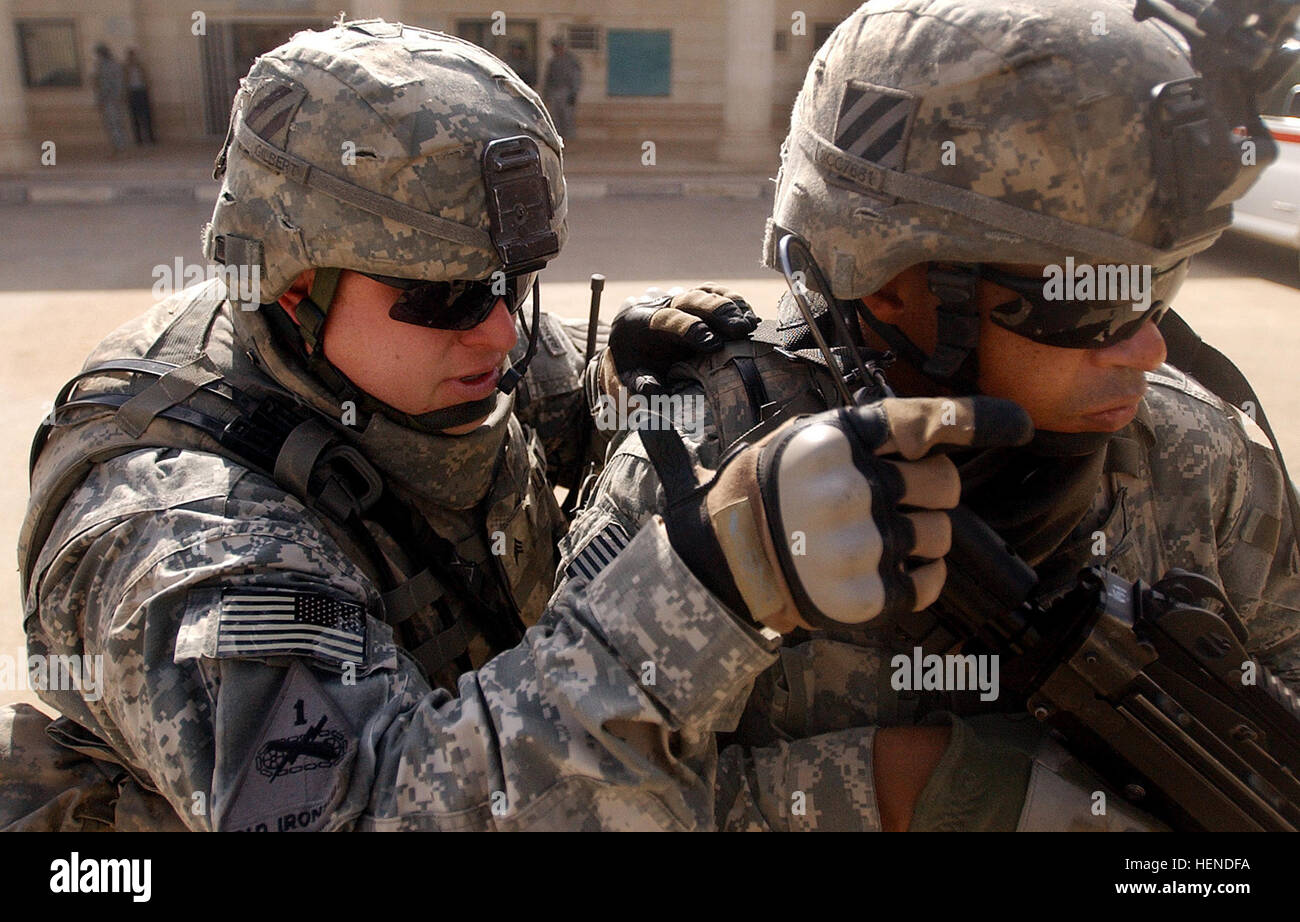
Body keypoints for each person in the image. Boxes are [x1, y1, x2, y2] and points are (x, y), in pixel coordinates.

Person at [0, 20, 774, 832]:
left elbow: (564, 387)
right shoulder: (185, 530)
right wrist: (708, 588)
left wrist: (622, 383)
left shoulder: (430, 350)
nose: (502, 331)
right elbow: (359, 808)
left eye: (512, 282)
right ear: (297, 285)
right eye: (449, 296)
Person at [559, 0, 1300, 831]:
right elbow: (554, 799)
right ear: (893, 283)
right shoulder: (701, 483)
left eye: (1161, 289)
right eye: (1096, 303)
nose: (1148, 349)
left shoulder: (1201, 460)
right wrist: (895, 793)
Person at [91, 44, 129, 157]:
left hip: (110, 100)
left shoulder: (103, 66)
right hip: (116, 99)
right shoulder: (116, 64)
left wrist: (100, 100)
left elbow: (105, 85)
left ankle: (120, 149)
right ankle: (119, 149)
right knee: (117, 124)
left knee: (113, 125)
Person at [542, 36, 582, 139]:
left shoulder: (571, 61)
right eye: (554, 46)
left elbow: (576, 77)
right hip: (554, 91)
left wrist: (573, 93)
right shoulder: (552, 61)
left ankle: (570, 139)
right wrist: (545, 93)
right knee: (555, 117)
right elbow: (548, 78)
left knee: (567, 116)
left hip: (566, 91)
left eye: (558, 46)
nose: (556, 49)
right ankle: (559, 138)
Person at [124, 49, 156, 146]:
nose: (132, 58)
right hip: (132, 92)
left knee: (146, 115)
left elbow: (146, 78)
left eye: (134, 56)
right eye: (131, 56)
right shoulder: (125, 68)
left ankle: (150, 137)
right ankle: (139, 139)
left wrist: (147, 88)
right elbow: (124, 81)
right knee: (135, 117)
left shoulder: (141, 67)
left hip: (142, 91)